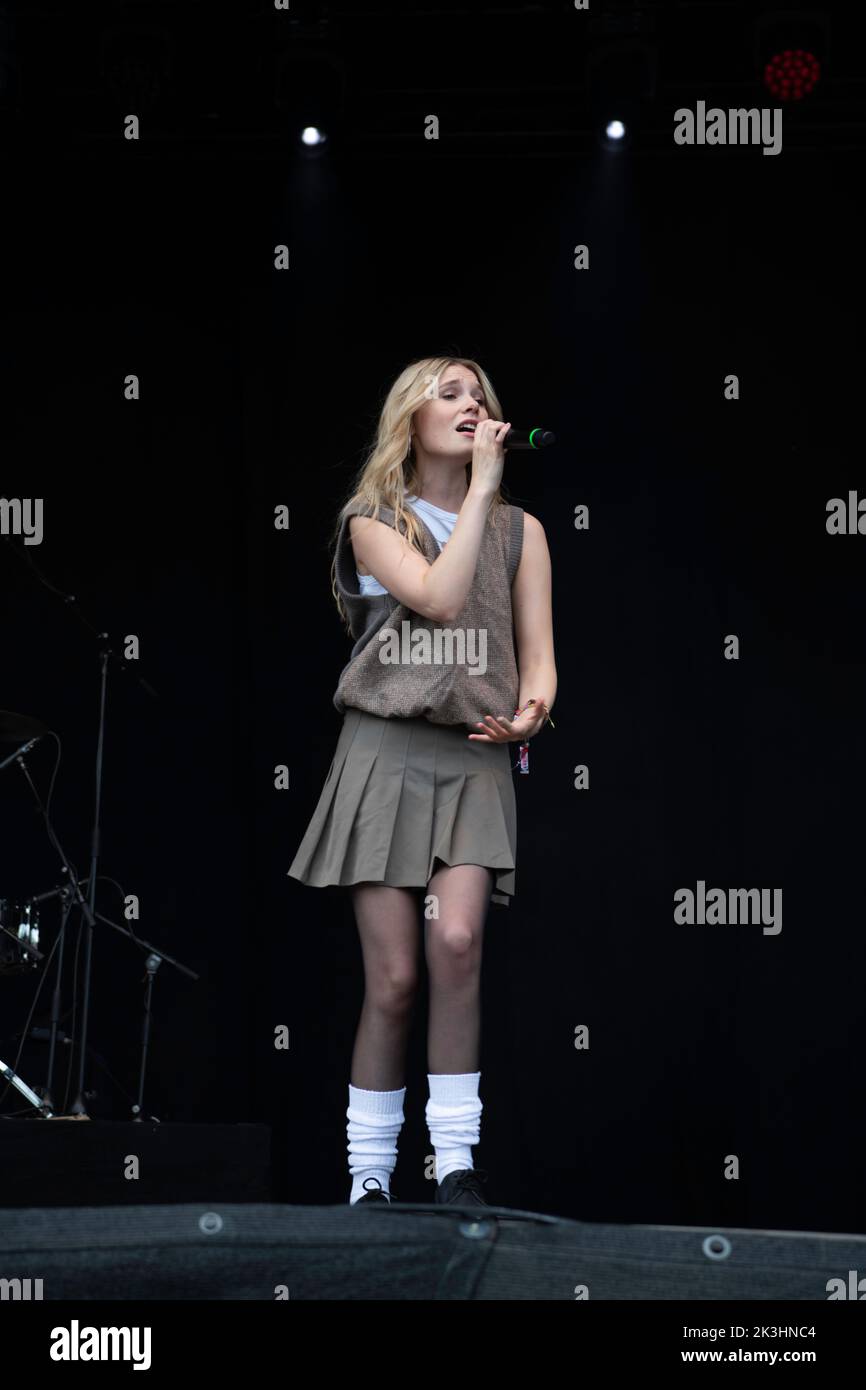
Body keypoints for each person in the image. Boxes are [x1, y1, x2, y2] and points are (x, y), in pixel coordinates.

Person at [288, 355, 556, 1206]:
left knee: (458, 944)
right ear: (412, 419)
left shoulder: (524, 533)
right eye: (451, 394)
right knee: (395, 977)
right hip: (384, 752)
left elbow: (540, 663)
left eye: (481, 395)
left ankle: (456, 1163)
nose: (471, 405)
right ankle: (370, 1176)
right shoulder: (374, 521)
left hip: (473, 756)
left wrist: (533, 712)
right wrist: (479, 493)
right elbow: (439, 599)